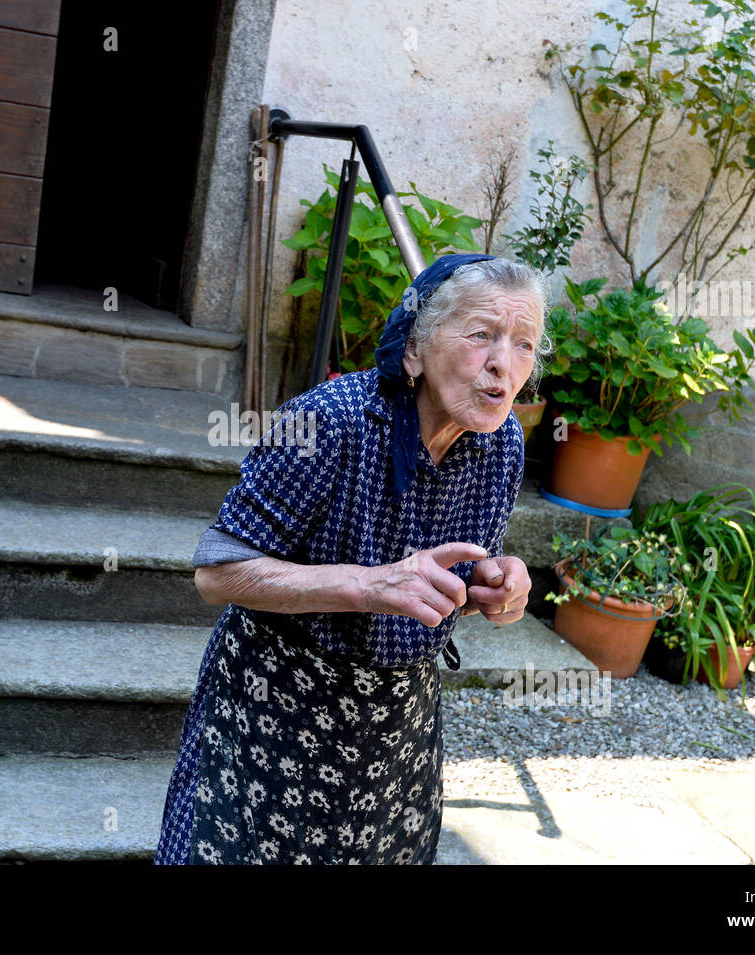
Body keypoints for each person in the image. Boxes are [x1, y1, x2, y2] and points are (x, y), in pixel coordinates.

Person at [154, 253, 549, 864]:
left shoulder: (501, 446)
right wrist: (367, 586)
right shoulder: (328, 423)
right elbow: (216, 572)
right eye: (481, 336)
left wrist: (489, 590)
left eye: (524, 344)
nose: (504, 363)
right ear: (415, 351)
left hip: (395, 730)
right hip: (276, 708)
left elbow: (443, 586)